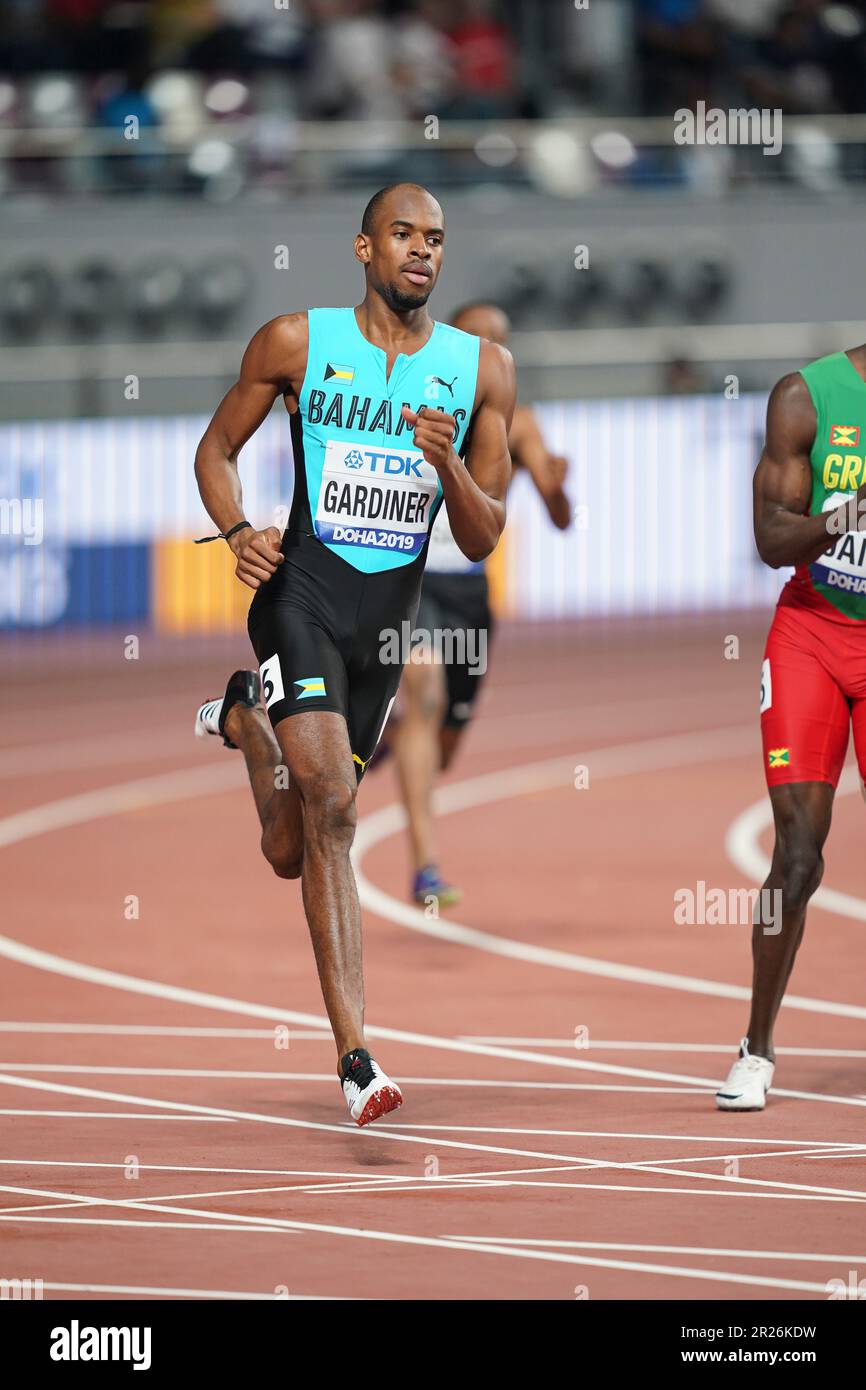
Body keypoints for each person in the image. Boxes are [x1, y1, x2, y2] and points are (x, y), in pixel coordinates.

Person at [192, 183, 516, 1125]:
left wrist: (448, 461)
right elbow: (215, 449)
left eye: (437, 239)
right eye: (404, 235)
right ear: (365, 248)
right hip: (301, 594)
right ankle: (358, 1059)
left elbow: (486, 534)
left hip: (386, 622)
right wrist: (237, 527)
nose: (423, 251)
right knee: (335, 805)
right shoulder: (297, 342)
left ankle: (250, 726)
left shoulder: (481, 369)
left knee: (296, 845)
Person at [381, 300, 570, 906]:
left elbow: (560, 516)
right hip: (410, 575)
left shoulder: (519, 423)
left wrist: (555, 485)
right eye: (481, 337)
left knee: (444, 742)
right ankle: (426, 868)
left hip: (467, 588)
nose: (494, 349)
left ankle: (381, 740)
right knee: (423, 689)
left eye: (503, 339)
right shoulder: (412, 399)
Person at [717, 345, 866, 1110]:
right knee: (799, 858)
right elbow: (772, 541)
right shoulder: (808, 397)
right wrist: (852, 511)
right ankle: (757, 1048)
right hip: (812, 633)